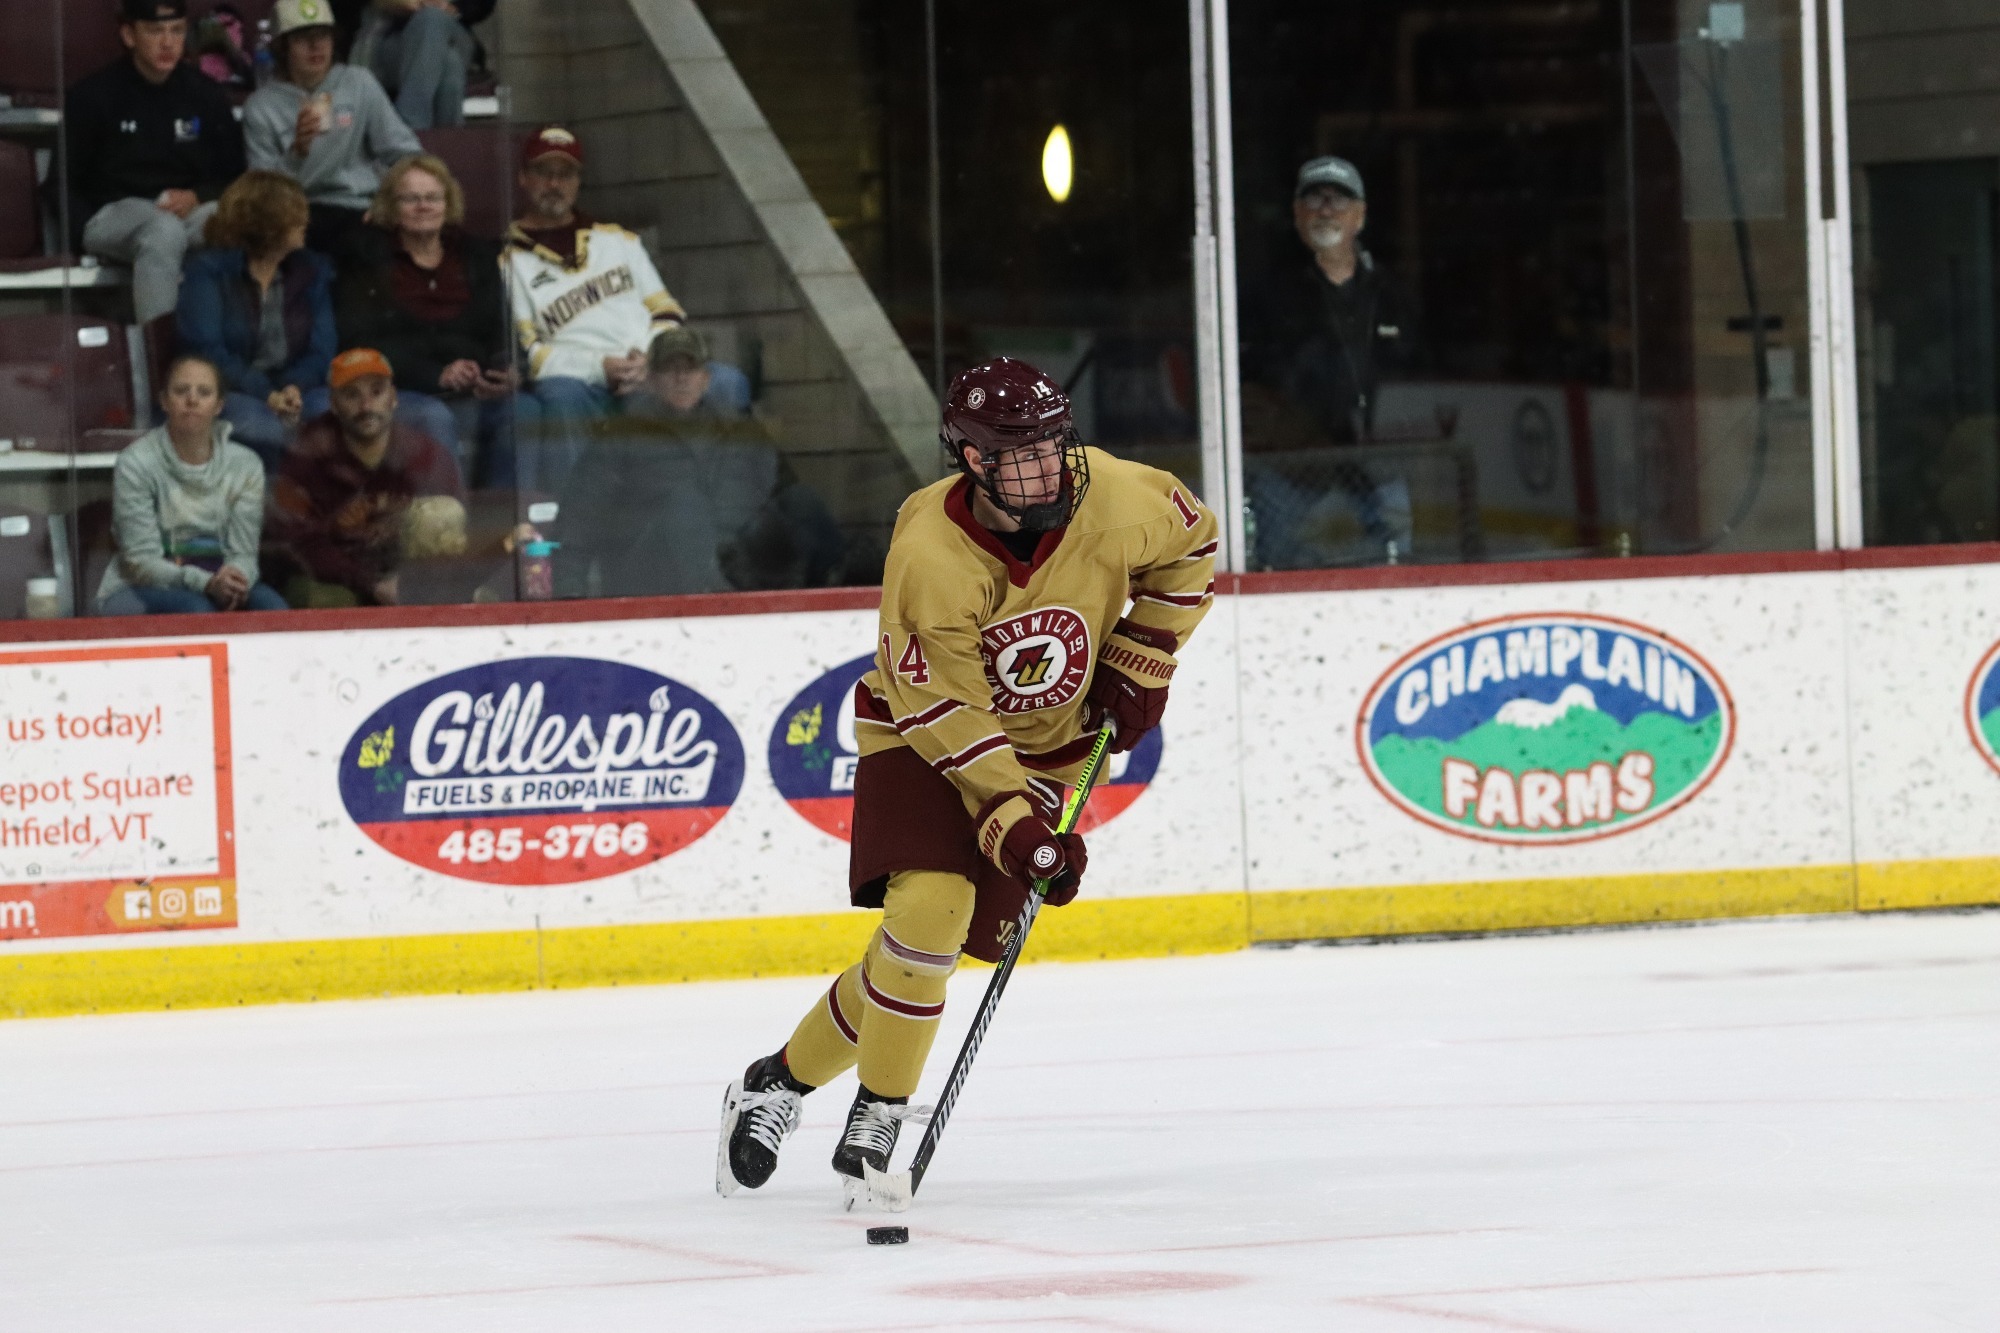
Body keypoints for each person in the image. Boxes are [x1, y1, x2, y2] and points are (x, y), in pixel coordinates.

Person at [713, 357, 1218, 1199]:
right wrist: (1012, 820)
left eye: (1055, 445)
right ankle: (880, 1112)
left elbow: (1194, 546)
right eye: (1024, 455)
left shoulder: (1119, 497)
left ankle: (775, 1082)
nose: (1049, 467)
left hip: (1051, 746)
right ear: (974, 461)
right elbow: (949, 711)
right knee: (928, 913)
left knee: (917, 957)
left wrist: (1146, 651)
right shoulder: (930, 553)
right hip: (920, 736)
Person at [556, 327, 841, 597]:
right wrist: (570, 591)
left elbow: (780, 489)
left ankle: (831, 597)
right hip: (650, 573)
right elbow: (581, 514)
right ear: (651, 379)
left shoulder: (737, 426)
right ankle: (714, 599)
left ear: (705, 378)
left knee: (802, 500)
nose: (681, 378)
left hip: (738, 560)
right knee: (686, 505)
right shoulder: (623, 433)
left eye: (690, 368)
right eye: (670, 368)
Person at [1239, 155, 1424, 568]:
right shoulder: (1267, 295)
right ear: (1297, 214)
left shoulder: (1391, 294)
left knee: (1396, 566)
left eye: (1339, 199)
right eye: (1315, 198)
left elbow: (1411, 375)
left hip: (1374, 464)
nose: (1326, 209)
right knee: (1277, 567)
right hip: (1292, 466)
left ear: (1360, 216)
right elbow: (1249, 381)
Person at [504, 125, 689, 492]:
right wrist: (598, 368)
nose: (555, 184)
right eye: (544, 172)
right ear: (523, 178)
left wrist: (650, 359)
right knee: (560, 395)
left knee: (727, 383)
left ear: (578, 181)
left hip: (646, 366)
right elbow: (530, 354)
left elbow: (668, 313)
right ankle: (573, 519)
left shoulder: (619, 240)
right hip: (577, 381)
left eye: (566, 174)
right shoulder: (506, 259)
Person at [62, 0, 247, 324]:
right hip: (112, 213)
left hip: (187, 212)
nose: (167, 42)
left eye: (176, 31)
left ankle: (233, 340)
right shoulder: (93, 96)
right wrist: (81, 236)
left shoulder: (205, 93)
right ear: (129, 35)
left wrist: (198, 195)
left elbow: (234, 172)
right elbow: (63, 181)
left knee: (240, 220)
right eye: (155, 31)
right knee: (162, 230)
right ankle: (160, 346)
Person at [335, 154, 517, 481]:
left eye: (433, 197)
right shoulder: (366, 258)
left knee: (522, 410)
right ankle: (447, 514)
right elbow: (360, 340)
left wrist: (503, 367)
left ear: (448, 203)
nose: (423, 206)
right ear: (392, 206)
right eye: (411, 199)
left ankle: (509, 510)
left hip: (475, 386)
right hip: (404, 386)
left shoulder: (476, 254)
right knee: (434, 417)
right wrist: (438, 375)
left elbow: (500, 327)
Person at [267, 347, 465, 607]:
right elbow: (299, 542)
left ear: (393, 398)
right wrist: (371, 584)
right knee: (320, 600)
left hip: (405, 579)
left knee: (443, 514)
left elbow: (455, 529)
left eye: (376, 392)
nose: (366, 406)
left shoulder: (425, 454)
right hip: (333, 580)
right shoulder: (306, 455)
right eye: (352, 395)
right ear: (333, 404)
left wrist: (410, 584)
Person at [97, 354, 288, 616]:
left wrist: (235, 579)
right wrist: (206, 583)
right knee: (197, 611)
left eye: (204, 392)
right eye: (181, 391)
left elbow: (244, 553)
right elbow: (140, 562)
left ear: (219, 405)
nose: (192, 400)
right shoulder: (136, 462)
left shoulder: (245, 464)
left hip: (220, 580)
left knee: (274, 609)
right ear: (164, 401)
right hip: (137, 588)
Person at [177, 172, 337, 472]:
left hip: (295, 388)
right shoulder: (208, 271)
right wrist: (266, 393)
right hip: (230, 389)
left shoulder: (312, 270)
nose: (306, 221)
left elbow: (322, 349)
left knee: (333, 415)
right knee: (262, 426)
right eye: (295, 214)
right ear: (266, 223)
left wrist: (293, 388)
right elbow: (207, 352)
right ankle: (271, 502)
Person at [243, 0, 422, 257]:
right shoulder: (261, 106)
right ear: (283, 47)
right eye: (303, 38)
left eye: (323, 35)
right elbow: (261, 192)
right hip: (297, 213)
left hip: (359, 207)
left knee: (368, 247)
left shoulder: (358, 82)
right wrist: (297, 153)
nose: (316, 46)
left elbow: (405, 153)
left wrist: (387, 202)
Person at [346, 0, 489, 130]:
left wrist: (451, 7)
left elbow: (482, 5)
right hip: (392, 40)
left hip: (453, 29)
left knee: (431, 18)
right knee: (451, 63)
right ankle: (450, 145)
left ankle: (410, 128)